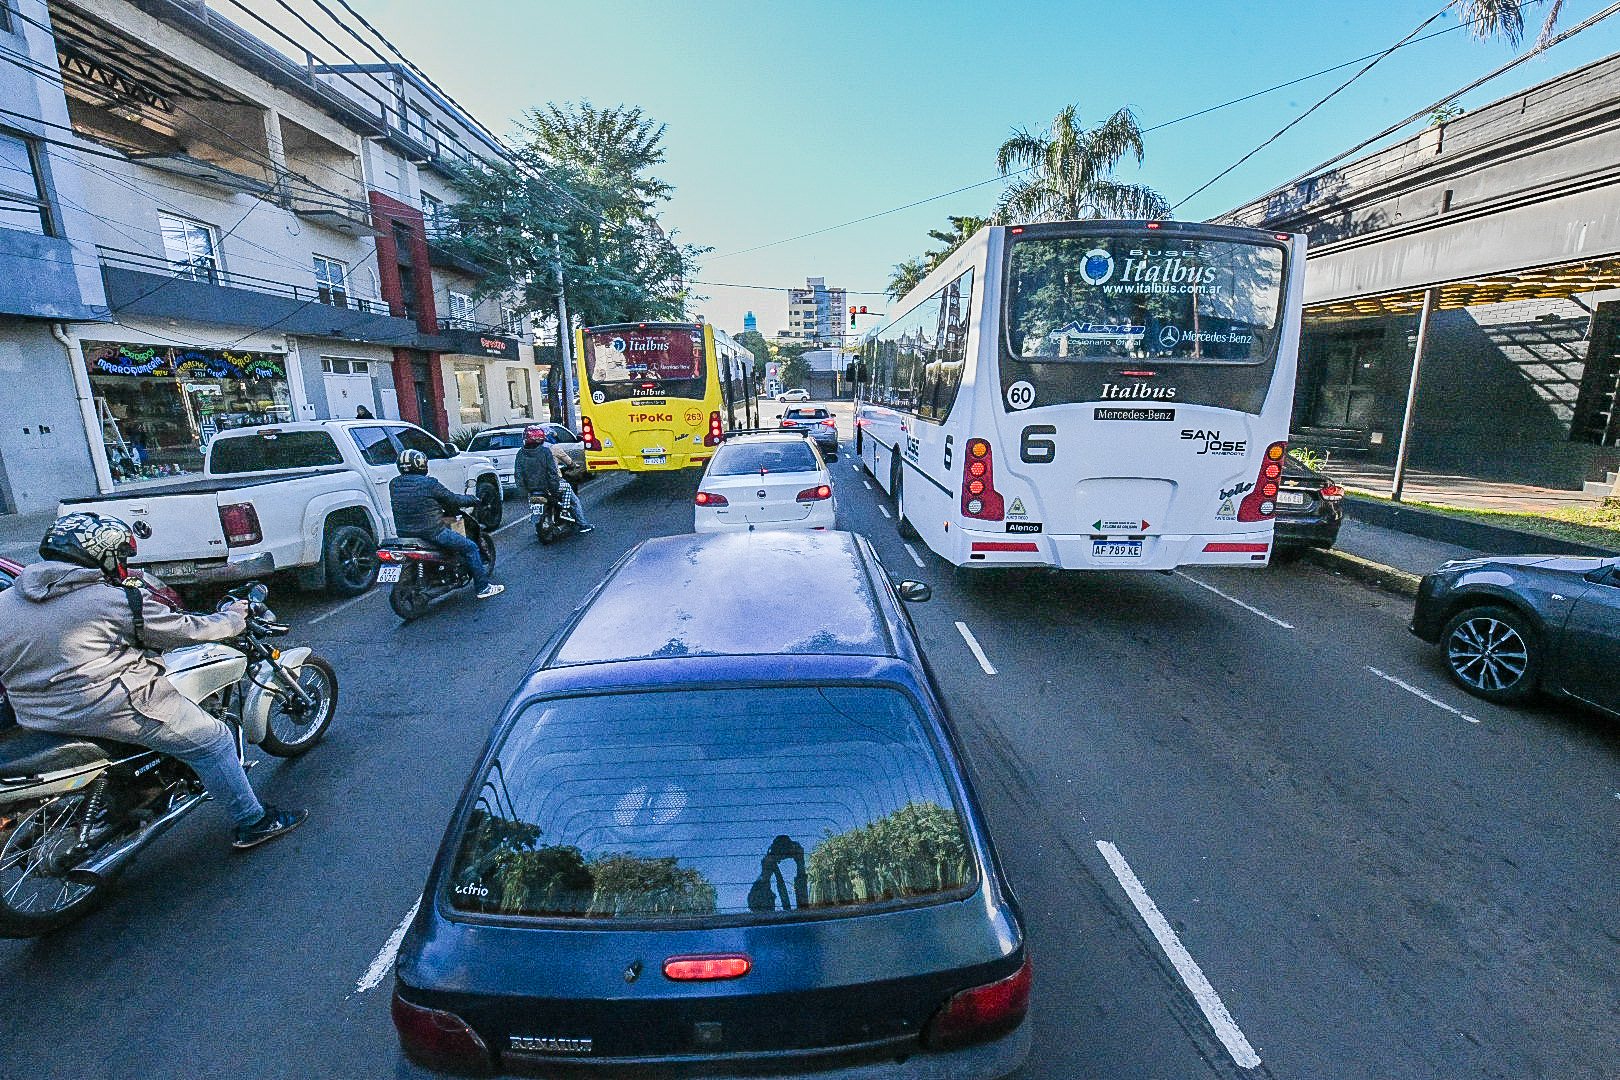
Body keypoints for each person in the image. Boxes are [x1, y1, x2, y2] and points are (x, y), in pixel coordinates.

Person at [0, 513, 306, 850]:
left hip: (37, 716)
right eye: (119, 556)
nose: (121, 564)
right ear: (101, 555)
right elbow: (187, 630)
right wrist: (233, 618)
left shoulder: (6, 601)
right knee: (214, 740)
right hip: (109, 711)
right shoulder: (114, 601)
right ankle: (254, 821)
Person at [389, 448, 504, 598]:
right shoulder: (429, 483)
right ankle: (483, 588)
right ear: (421, 464)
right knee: (470, 547)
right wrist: (473, 500)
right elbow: (453, 500)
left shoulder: (394, 484)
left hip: (404, 534)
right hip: (432, 532)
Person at [513, 425, 593, 535]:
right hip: (548, 486)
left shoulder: (520, 453)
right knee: (572, 496)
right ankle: (579, 521)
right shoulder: (546, 451)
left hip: (532, 489)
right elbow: (552, 472)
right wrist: (554, 487)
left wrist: (523, 490)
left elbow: (518, 474)